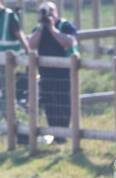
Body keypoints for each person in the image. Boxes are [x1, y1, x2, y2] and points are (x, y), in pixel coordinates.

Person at [29, 3, 78, 136]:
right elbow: (31, 45)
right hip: (45, 74)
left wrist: (51, 28)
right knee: (49, 104)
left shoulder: (65, 25)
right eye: (43, 12)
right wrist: (41, 28)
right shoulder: (38, 29)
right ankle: (55, 134)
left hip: (64, 73)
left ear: (56, 12)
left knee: (63, 103)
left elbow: (69, 42)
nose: (47, 14)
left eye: (50, 11)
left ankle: (64, 133)